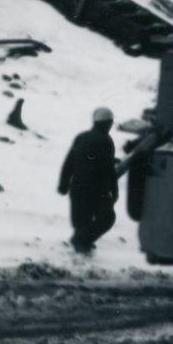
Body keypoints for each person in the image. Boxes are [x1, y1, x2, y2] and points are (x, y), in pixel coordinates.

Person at [58, 107, 119, 254]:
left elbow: (69, 162)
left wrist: (63, 183)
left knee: (81, 222)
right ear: (108, 123)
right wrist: (113, 191)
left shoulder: (81, 137)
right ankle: (81, 243)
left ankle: (79, 248)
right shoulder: (106, 140)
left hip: (77, 186)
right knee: (107, 218)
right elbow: (109, 169)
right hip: (96, 189)